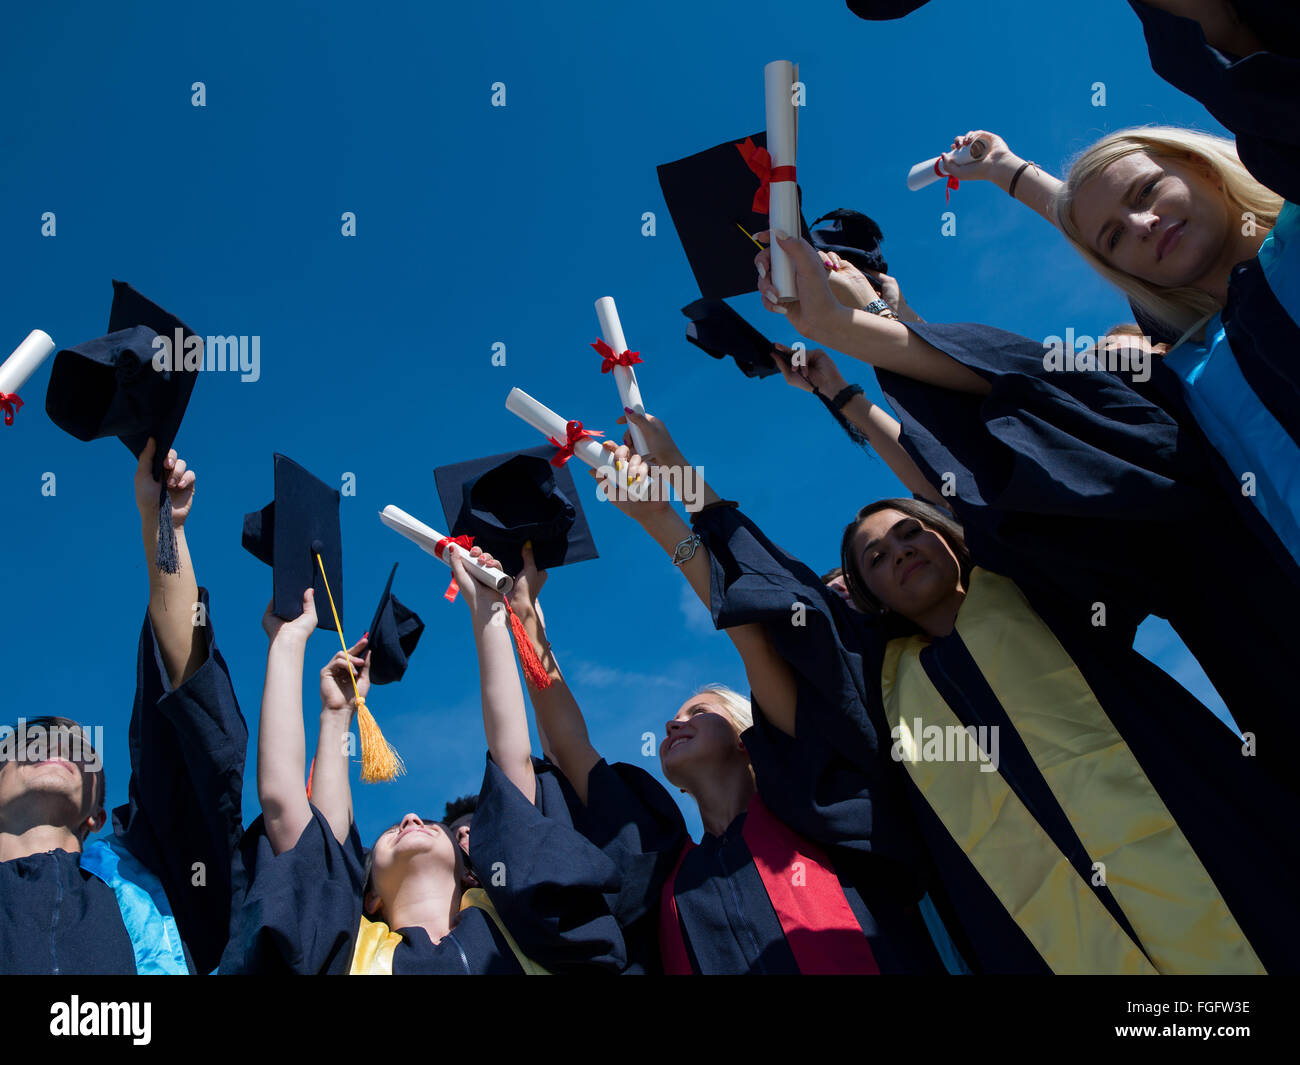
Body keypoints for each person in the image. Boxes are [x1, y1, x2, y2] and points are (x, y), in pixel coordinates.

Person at [753, 226, 1300, 790]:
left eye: (1128, 361)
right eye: (1098, 363)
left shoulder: (1235, 385)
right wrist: (849, 369)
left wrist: (860, 317)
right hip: (1254, 654)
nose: (1109, 378)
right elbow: (966, 468)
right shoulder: (1125, 513)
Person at [500, 433, 969, 974]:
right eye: (682, 714)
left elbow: (750, 637)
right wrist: (523, 618)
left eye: (701, 712)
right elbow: (568, 748)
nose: (675, 720)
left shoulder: (818, 806)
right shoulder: (664, 874)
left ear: (752, 739)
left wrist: (660, 519)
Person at [221, 546, 625, 975]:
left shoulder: (519, 925)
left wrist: (488, 612)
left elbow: (515, 769)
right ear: (369, 896)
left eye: (431, 825)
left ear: (473, 872)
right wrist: (322, 694)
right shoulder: (349, 954)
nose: (411, 818)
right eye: (395, 829)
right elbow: (294, 821)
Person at [0, 442, 247, 975]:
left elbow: (188, 721)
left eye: (78, 747)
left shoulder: (145, 874)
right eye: (30, 739)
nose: (57, 744)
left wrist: (163, 527)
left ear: (97, 810)